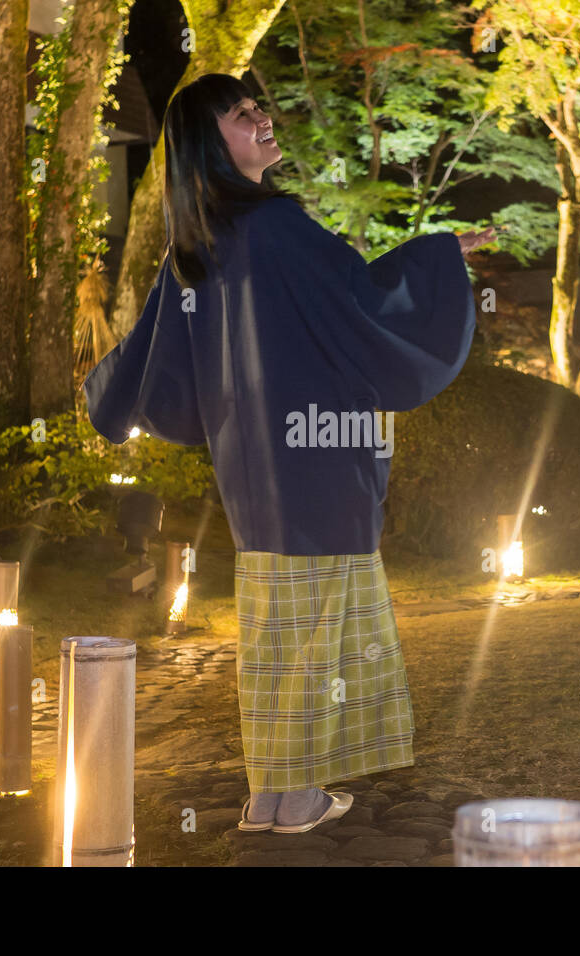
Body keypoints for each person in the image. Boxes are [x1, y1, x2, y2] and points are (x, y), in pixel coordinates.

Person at [83, 73, 491, 834]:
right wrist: (440, 258)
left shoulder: (199, 247)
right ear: (211, 143)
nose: (261, 117)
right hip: (321, 463)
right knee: (315, 636)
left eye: (257, 106)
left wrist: (103, 397)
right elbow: (361, 301)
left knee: (278, 635)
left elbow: (152, 353)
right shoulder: (275, 227)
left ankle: (269, 796)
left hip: (256, 473)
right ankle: (294, 798)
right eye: (241, 114)